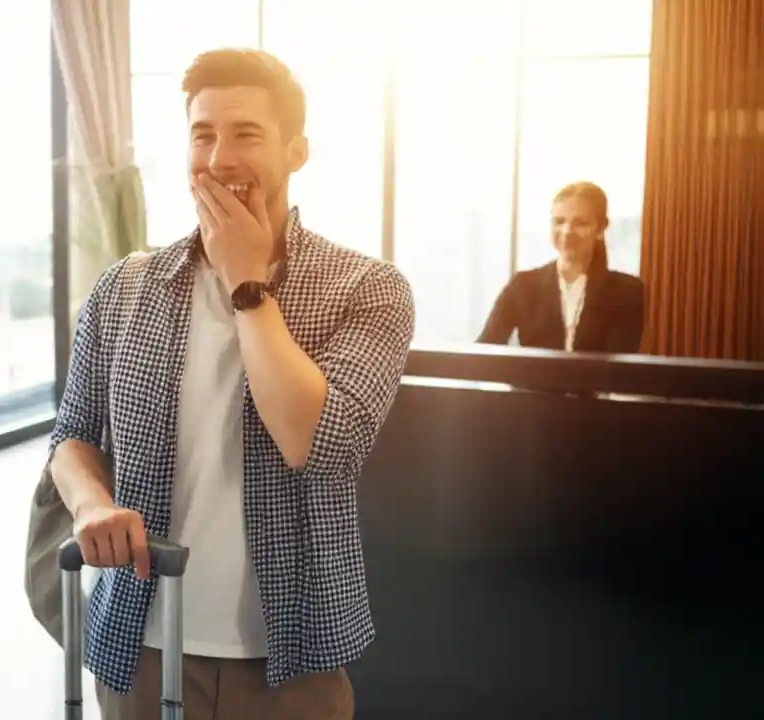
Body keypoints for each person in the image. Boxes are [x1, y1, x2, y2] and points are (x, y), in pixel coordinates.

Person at [49, 48, 415, 719]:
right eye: (202, 134)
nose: (219, 159)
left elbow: (319, 443)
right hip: (140, 642)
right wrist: (90, 505)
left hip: (291, 660)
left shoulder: (366, 289)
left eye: (246, 134)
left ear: (296, 150)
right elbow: (70, 436)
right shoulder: (127, 286)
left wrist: (247, 282)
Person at [477, 181, 644, 353]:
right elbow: (484, 351)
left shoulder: (627, 292)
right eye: (559, 221)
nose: (567, 231)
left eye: (581, 223)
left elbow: (620, 369)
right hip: (532, 380)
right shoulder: (523, 285)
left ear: (601, 228)